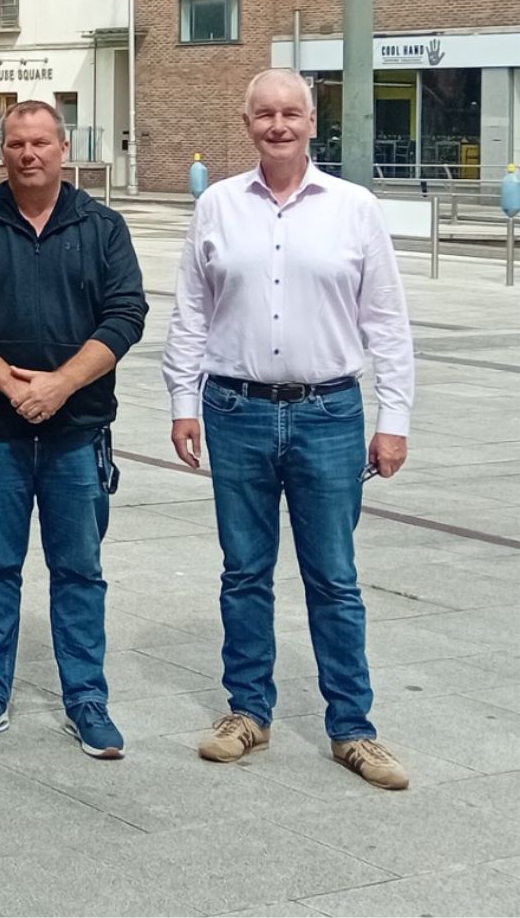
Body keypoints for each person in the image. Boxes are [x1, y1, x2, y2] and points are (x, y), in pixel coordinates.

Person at [162, 69, 414, 790]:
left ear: (312, 120)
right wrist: (183, 400)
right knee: (243, 570)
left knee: (332, 577)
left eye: (291, 112)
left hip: (327, 411)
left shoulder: (353, 207)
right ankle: (246, 711)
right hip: (235, 410)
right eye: (264, 113)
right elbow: (190, 312)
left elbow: (386, 324)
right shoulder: (216, 205)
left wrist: (391, 420)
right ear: (245, 122)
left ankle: (353, 728)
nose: (277, 124)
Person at [0, 101, 146, 760]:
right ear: (3, 152)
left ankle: (86, 700)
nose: (29, 154)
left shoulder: (102, 227)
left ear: (62, 147)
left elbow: (125, 314)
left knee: (77, 567)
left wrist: (58, 384)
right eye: (16, 143)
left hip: (76, 429)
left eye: (40, 142)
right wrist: (10, 382)